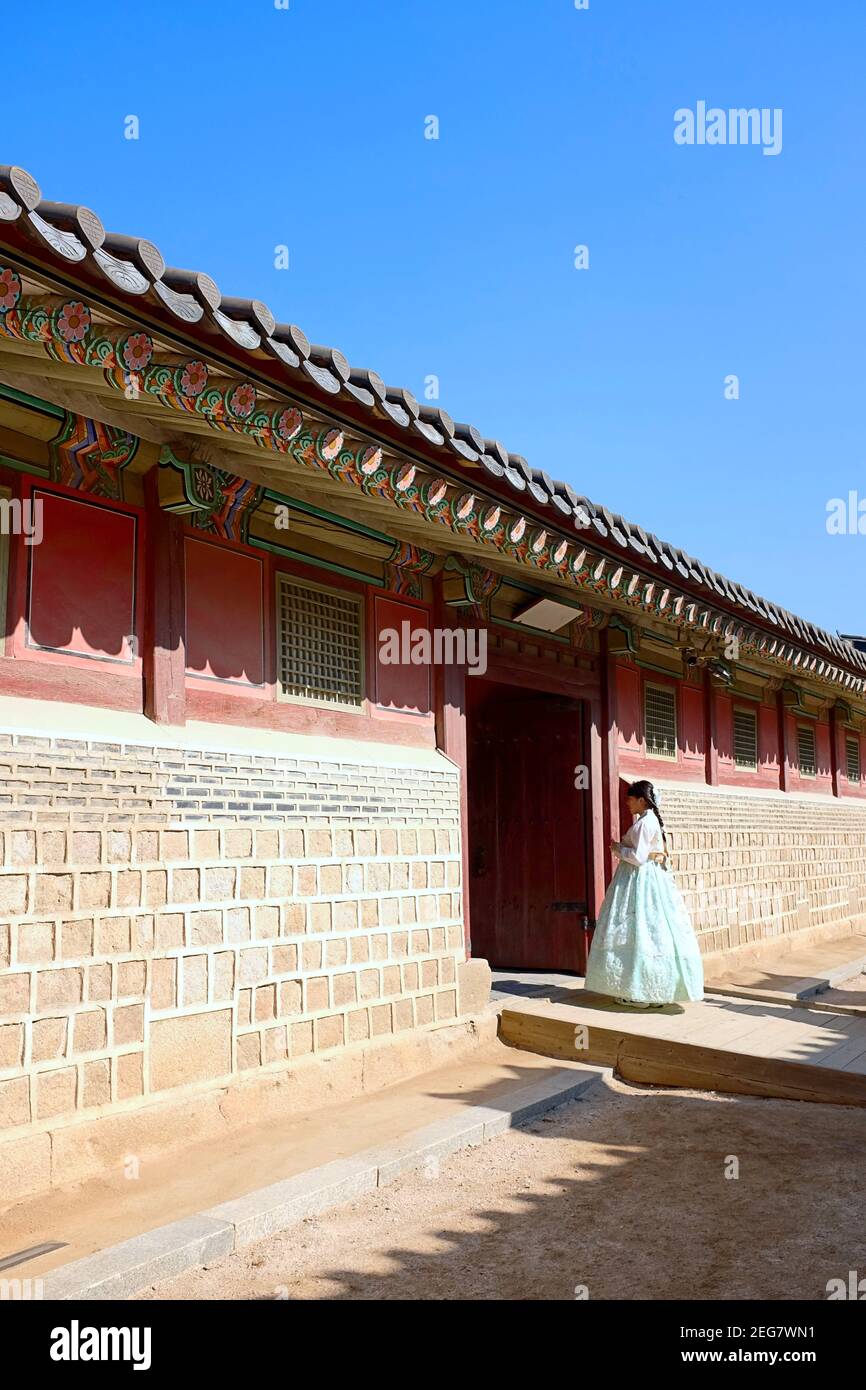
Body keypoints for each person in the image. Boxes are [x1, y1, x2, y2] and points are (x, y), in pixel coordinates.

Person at [585, 779, 704, 1008]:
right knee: (654, 931)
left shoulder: (643, 824)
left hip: (639, 881)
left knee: (636, 929)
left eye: (630, 799)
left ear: (641, 800)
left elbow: (638, 858)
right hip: (653, 880)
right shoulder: (651, 821)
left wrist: (617, 849)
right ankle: (653, 991)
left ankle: (637, 992)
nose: (628, 803)